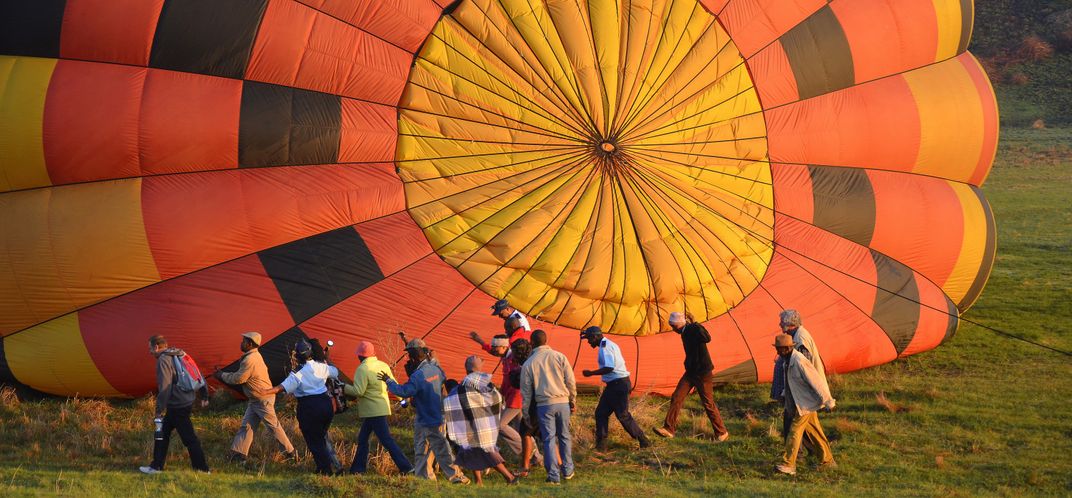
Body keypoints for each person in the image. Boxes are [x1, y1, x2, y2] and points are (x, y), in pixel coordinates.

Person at [379, 338, 470, 484]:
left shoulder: (417, 375)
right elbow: (438, 380)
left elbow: (403, 391)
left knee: (434, 448)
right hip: (437, 414)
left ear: (413, 356)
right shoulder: (436, 369)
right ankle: (425, 478)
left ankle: (457, 477)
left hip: (426, 417)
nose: (408, 359)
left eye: (409, 355)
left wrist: (388, 380)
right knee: (427, 448)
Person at [259, 339, 339, 475]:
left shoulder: (297, 372)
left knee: (313, 439)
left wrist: (265, 391)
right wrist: (327, 359)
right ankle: (326, 466)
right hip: (325, 405)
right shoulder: (320, 366)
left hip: (309, 407)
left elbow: (282, 387)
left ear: (297, 356)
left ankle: (325, 470)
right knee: (320, 436)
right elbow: (335, 372)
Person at [213, 331, 295, 463]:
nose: (241, 343)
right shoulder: (254, 356)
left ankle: (291, 453)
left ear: (249, 344)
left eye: (244, 341)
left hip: (262, 399)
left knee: (273, 427)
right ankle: (238, 455)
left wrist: (221, 375)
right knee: (247, 426)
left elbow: (239, 378)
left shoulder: (250, 360)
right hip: (257, 398)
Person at [467, 326, 542, 467]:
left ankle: (530, 454)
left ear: (503, 347)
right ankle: (536, 457)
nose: (494, 351)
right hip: (511, 397)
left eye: (496, 348)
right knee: (523, 429)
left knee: (500, 425)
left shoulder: (514, 357)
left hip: (517, 398)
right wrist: (479, 341)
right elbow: (492, 351)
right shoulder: (505, 357)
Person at [653, 312, 730, 442]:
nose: (672, 329)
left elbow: (707, 338)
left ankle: (722, 432)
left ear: (678, 324)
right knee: (677, 396)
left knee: (708, 403)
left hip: (702, 373)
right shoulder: (684, 332)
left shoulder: (692, 329)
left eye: (673, 326)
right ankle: (669, 429)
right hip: (690, 372)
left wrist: (696, 324)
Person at [139, 335, 210, 474]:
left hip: (178, 404)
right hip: (185, 401)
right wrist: (204, 394)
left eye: (150, 349)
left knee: (189, 438)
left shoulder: (163, 360)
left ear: (156, 347)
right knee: (162, 434)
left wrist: (159, 410)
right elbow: (197, 373)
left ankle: (202, 468)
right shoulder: (180, 354)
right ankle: (156, 466)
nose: (150, 352)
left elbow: (165, 387)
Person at [444, 355, 519, 485]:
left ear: (467, 369)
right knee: (473, 453)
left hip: (473, 425)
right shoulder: (486, 384)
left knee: (486, 453)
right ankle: (479, 481)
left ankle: (509, 477)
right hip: (485, 424)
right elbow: (498, 400)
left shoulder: (462, 386)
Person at [344, 340, 413, 475]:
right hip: (381, 407)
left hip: (372, 411)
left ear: (360, 356)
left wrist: (343, 387)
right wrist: (402, 399)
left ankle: (406, 467)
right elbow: (392, 383)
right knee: (363, 439)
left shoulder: (362, 369)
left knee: (386, 440)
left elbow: (358, 391)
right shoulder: (383, 365)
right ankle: (358, 469)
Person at [773, 334, 837, 475]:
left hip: (805, 405)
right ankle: (828, 461)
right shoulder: (786, 361)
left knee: (794, 433)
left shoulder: (800, 361)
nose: (777, 352)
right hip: (798, 404)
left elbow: (817, 382)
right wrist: (784, 395)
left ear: (786, 348)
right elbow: (791, 383)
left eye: (779, 349)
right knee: (816, 434)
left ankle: (789, 464)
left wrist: (828, 401)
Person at [580, 326, 651, 450]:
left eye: (589, 339)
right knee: (601, 413)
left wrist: (591, 373)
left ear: (595, 336)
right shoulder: (606, 344)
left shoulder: (605, 347)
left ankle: (643, 440)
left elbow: (609, 367)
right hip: (614, 385)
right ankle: (601, 445)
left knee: (622, 415)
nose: (589, 342)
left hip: (618, 385)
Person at [520, 329, 576, 485]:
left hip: (544, 405)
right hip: (563, 402)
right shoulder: (560, 356)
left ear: (531, 343)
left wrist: (525, 413)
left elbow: (526, 393)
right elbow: (570, 380)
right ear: (546, 341)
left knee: (548, 439)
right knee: (564, 436)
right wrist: (573, 399)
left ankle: (553, 476)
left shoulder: (529, 363)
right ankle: (568, 470)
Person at [770, 310, 829, 404]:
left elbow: (805, 368)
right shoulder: (793, 336)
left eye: (782, 322)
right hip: (798, 394)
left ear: (789, 323)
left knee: (797, 416)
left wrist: (786, 393)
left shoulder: (800, 339)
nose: (780, 324)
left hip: (802, 395)